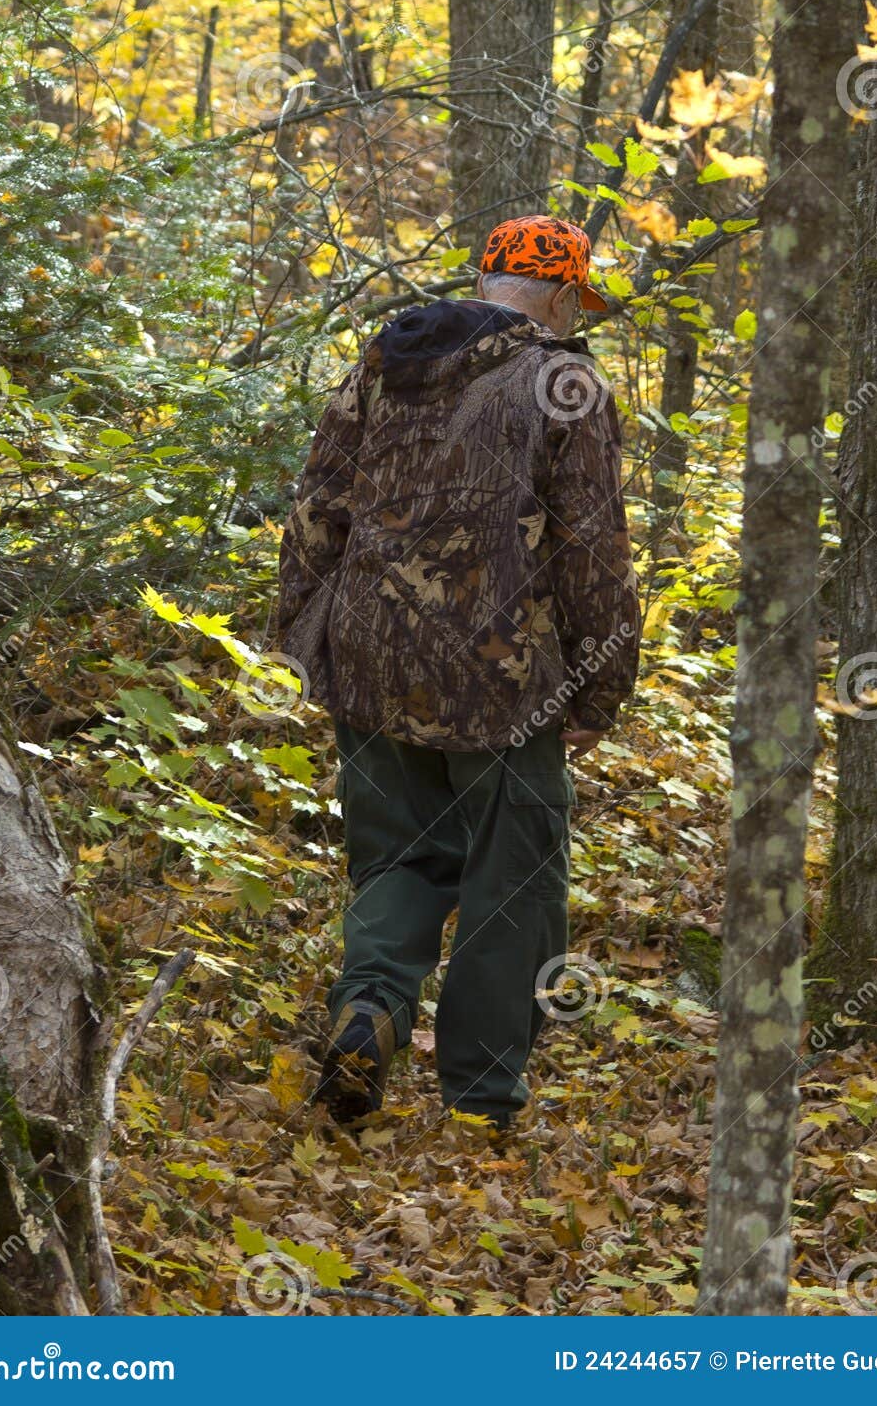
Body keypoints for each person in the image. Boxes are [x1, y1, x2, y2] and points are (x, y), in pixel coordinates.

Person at [276, 215, 640, 1129]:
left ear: (486, 280)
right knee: (511, 885)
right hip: (504, 684)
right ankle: (482, 1103)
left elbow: (316, 510)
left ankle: (369, 1012)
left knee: (397, 859)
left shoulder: (383, 362)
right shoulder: (566, 382)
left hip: (370, 660)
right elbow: (593, 551)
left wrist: (307, 642)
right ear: (558, 295)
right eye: (575, 300)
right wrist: (600, 688)